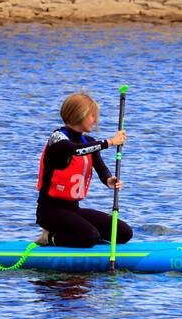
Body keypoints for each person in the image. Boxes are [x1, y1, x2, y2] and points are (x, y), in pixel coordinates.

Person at [35, 92, 133, 248]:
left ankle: (83, 237)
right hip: (49, 212)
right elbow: (75, 150)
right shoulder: (57, 139)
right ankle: (49, 238)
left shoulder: (88, 141)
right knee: (90, 236)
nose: (95, 121)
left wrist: (109, 180)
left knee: (123, 233)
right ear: (79, 115)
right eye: (92, 116)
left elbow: (101, 168)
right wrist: (110, 142)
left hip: (73, 210)